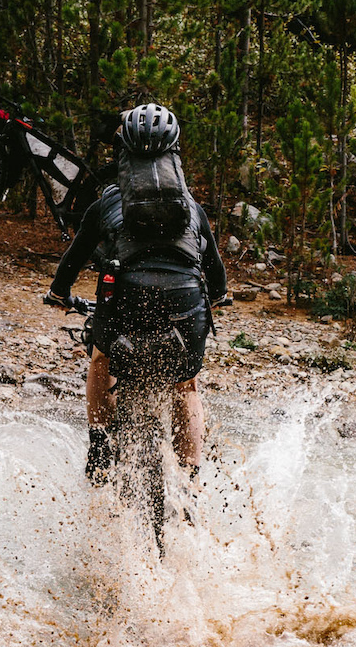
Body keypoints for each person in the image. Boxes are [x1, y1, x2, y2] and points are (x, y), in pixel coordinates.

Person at [45, 103, 228, 479]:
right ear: (175, 154)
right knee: (186, 386)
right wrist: (218, 298)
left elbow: (71, 262)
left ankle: (99, 443)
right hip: (186, 301)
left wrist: (60, 294)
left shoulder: (106, 202)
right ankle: (192, 479)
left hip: (126, 298)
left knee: (101, 358)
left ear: (122, 153)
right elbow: (218, 279)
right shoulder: (193, 209)